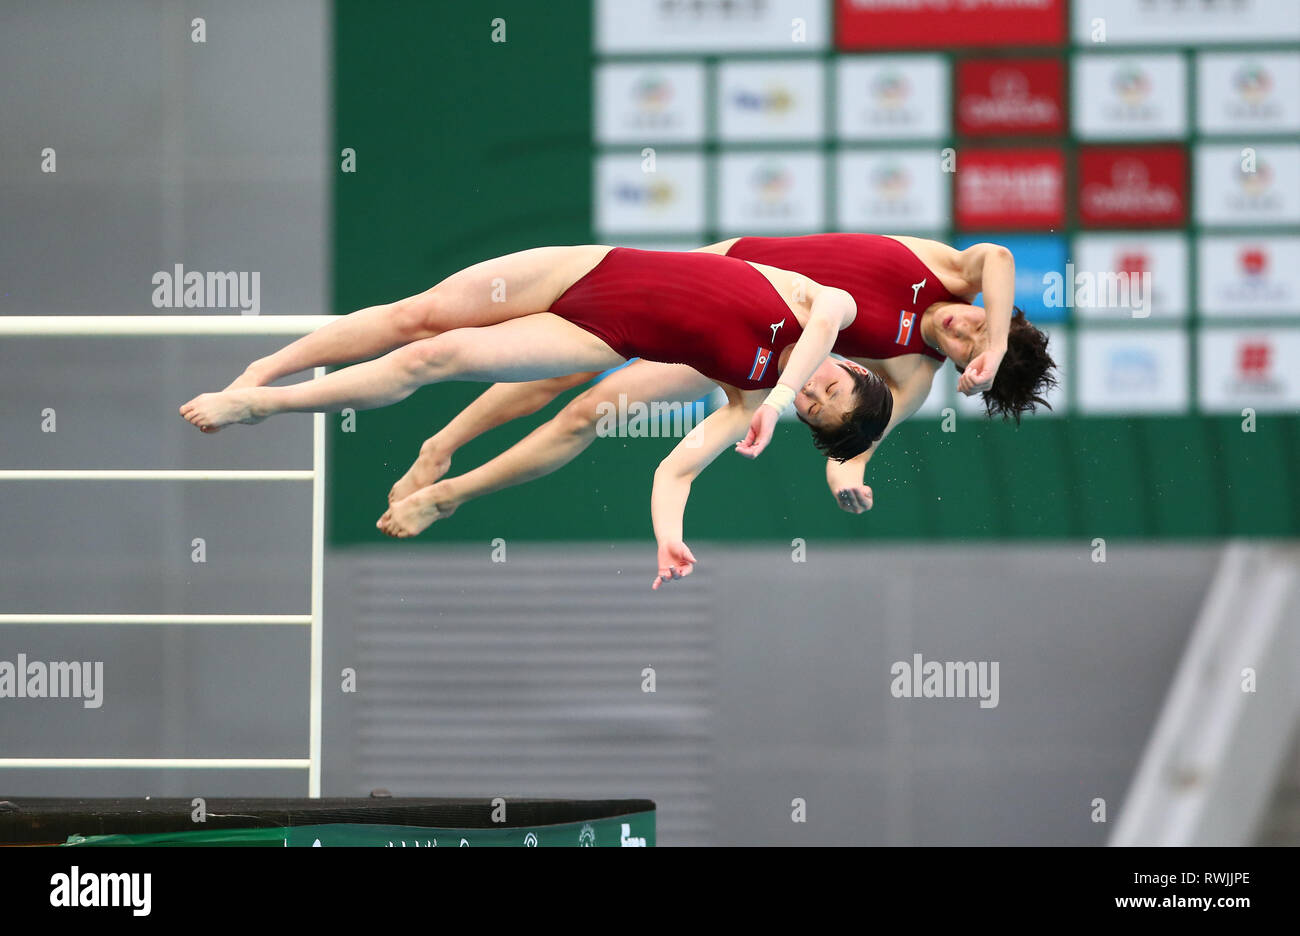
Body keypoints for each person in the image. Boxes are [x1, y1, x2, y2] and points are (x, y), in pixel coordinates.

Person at [379, 235, 1058, 537]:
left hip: (737, 353)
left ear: (968, 373)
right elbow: (999, 258)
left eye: (968, 346)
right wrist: (996, 343)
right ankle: (442, 445)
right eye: (978, 327)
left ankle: (450, 494)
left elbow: (857, 444)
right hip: (715, 275)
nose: (963, 330)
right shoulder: (956, 270)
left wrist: (847, 483)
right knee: (568, 362)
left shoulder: (912, 369)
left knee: (591, 408)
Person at [179, 244, 893, 523]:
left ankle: (264, 403)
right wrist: (778, 400)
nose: (810, 394)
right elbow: (822, 333)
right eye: (829, 389)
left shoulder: (750, 396)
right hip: (589, 270)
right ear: (855, 367)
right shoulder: (828, 309)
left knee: (442, 358)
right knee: (416, 316)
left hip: (596, 335)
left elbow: (676, 471)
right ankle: (265, 366)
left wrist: (668, 536)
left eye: (812, 410)